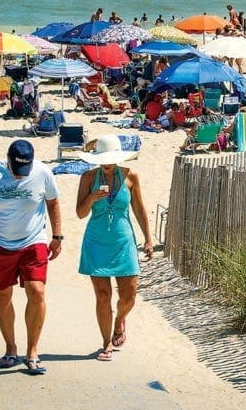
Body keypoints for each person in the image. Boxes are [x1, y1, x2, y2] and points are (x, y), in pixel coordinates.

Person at [0, 140, 62, 374]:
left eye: (25, 170)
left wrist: (57, 236)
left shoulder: (43, 173)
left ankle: (33, 351)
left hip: (33, 241)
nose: (21, 175)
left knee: (37, 291)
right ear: (8, 159)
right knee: (2, 297)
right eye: (17, 170)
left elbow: (53, 203)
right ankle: (11, 347)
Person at [76, 135, 152, 361]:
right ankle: (106, 343)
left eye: (110, 159)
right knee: (102, 295)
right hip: (96, 242)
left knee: (129, 294)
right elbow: (80, 213)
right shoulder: (88, 177)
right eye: (102, 159)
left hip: (123, 241)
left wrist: (148, 239)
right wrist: (92, 198)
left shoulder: (130, 176)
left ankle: (119, 321)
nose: (106, 163)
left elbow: (139, 209)